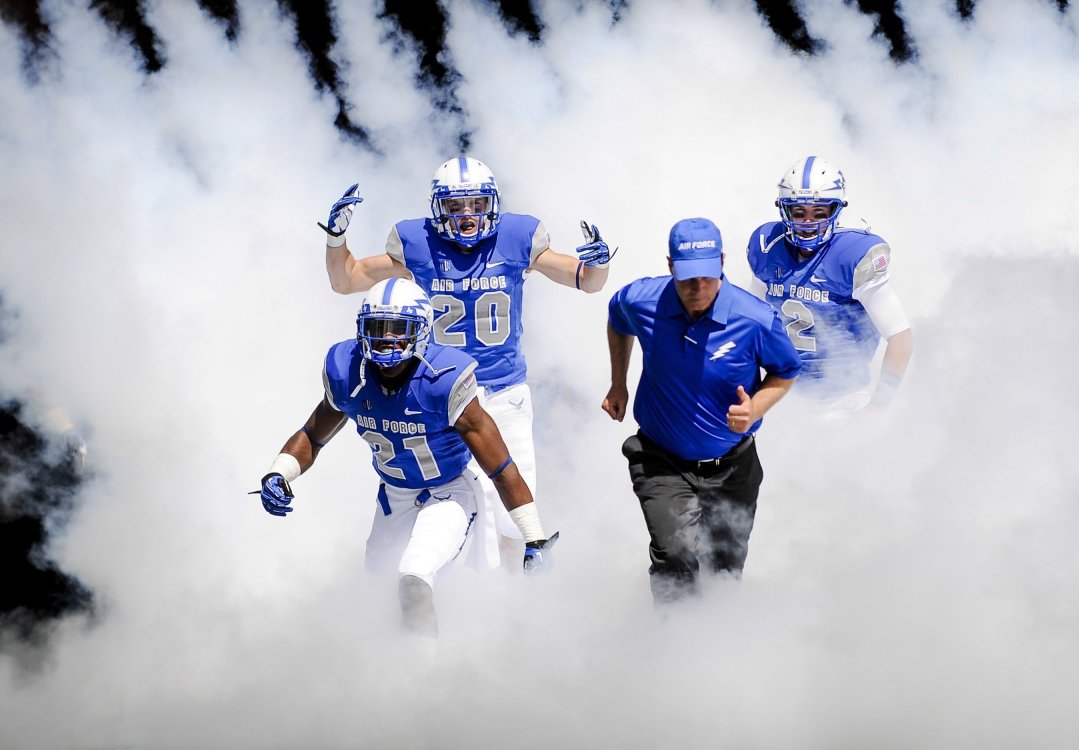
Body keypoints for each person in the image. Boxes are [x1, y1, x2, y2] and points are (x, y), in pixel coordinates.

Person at [318, 156, 612, 550]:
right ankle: (455, 590)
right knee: (462, 511)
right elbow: (346, 280)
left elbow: (587, 282)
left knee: (511, 514)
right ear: (439, 207)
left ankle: (514, 592)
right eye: (455, 206)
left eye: (476, 204)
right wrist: (336, 240)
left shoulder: (516, 237)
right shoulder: (417, 243)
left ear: (492, 202)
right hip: (439, 393)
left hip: (502, 390)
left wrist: (600, 265)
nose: (467, 215)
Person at [256, 277, 557, 636]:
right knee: (378, 591)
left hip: (449, 491)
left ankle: (423, 678)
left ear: (422, 331)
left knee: (413, 577)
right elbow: (312, 435)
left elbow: (500, 467)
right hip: (394, 495)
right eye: (377, 328)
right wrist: (279, 472)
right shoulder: (348, 370)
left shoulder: (443, 378)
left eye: (398, 329)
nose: (385, 339)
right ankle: (394, 667)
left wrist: (534, 537)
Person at [602, 218, 802, 608]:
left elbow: (786, 370)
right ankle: (672, 648)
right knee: (674, 557)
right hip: (660, 458)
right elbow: (616, 319)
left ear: (723, 263)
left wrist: (755, 407)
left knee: (725, 571)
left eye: (708, 277)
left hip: (733, 465)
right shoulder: (641, 299)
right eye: (688, 278)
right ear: (670, 265)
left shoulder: (755, 318)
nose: (698, 289)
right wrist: (618, 382)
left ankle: (718, 654)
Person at [746, 156, 913, 412]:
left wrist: (879, 404)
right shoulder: (769, 246)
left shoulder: (852, 256)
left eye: (819, 212)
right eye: (799, 212)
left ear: (836, 210)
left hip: (843, 397)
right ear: (785, 210)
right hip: (782, 391)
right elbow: (749, 320)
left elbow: (900, 336)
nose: (809, 222)